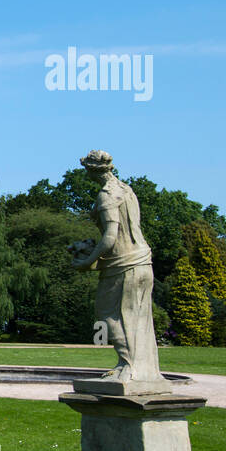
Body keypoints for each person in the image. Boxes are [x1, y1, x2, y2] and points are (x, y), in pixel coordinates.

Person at [70, 150, 162, 384]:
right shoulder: (126, 190)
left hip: (123, 264)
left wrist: (88, 261)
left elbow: (111, 237)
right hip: (142, 261)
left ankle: (128, 366)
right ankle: (146, 370)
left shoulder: (106, 195)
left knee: (109, 315)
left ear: (91, 170)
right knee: (140, 318)